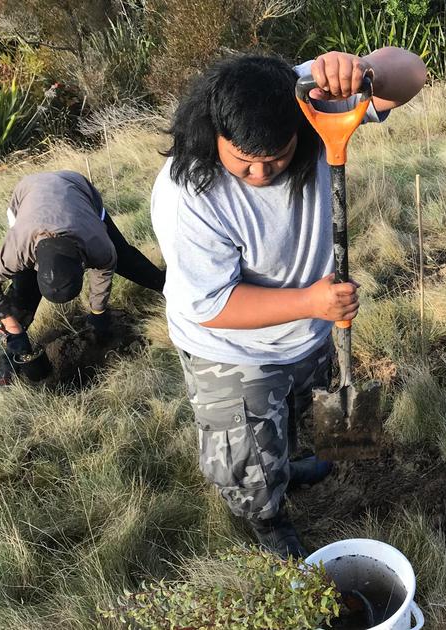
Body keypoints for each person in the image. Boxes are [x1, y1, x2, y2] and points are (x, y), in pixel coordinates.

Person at [151, 49, 426, 558]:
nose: (260, 173)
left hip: (308, 328)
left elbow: (412, 74)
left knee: (290, 420)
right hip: (228, 346)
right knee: (244, 464)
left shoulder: (309, 98)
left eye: (275, 158)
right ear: (214, 136)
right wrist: (312, 301)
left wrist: (366, 72)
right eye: (244, 162)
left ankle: (288, 464)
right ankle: (267, 517)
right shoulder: (186, 193)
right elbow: (211, 306)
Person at [0, 170, 166, 383]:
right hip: (29, 193)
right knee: (25, 286)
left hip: (75, 189)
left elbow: (102, 273)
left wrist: (98, 313)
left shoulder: (98, 244)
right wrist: (12, 324)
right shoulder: (19, 248)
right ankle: (11, 355)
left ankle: (167, 285)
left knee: (124, 257)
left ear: (82, 263)